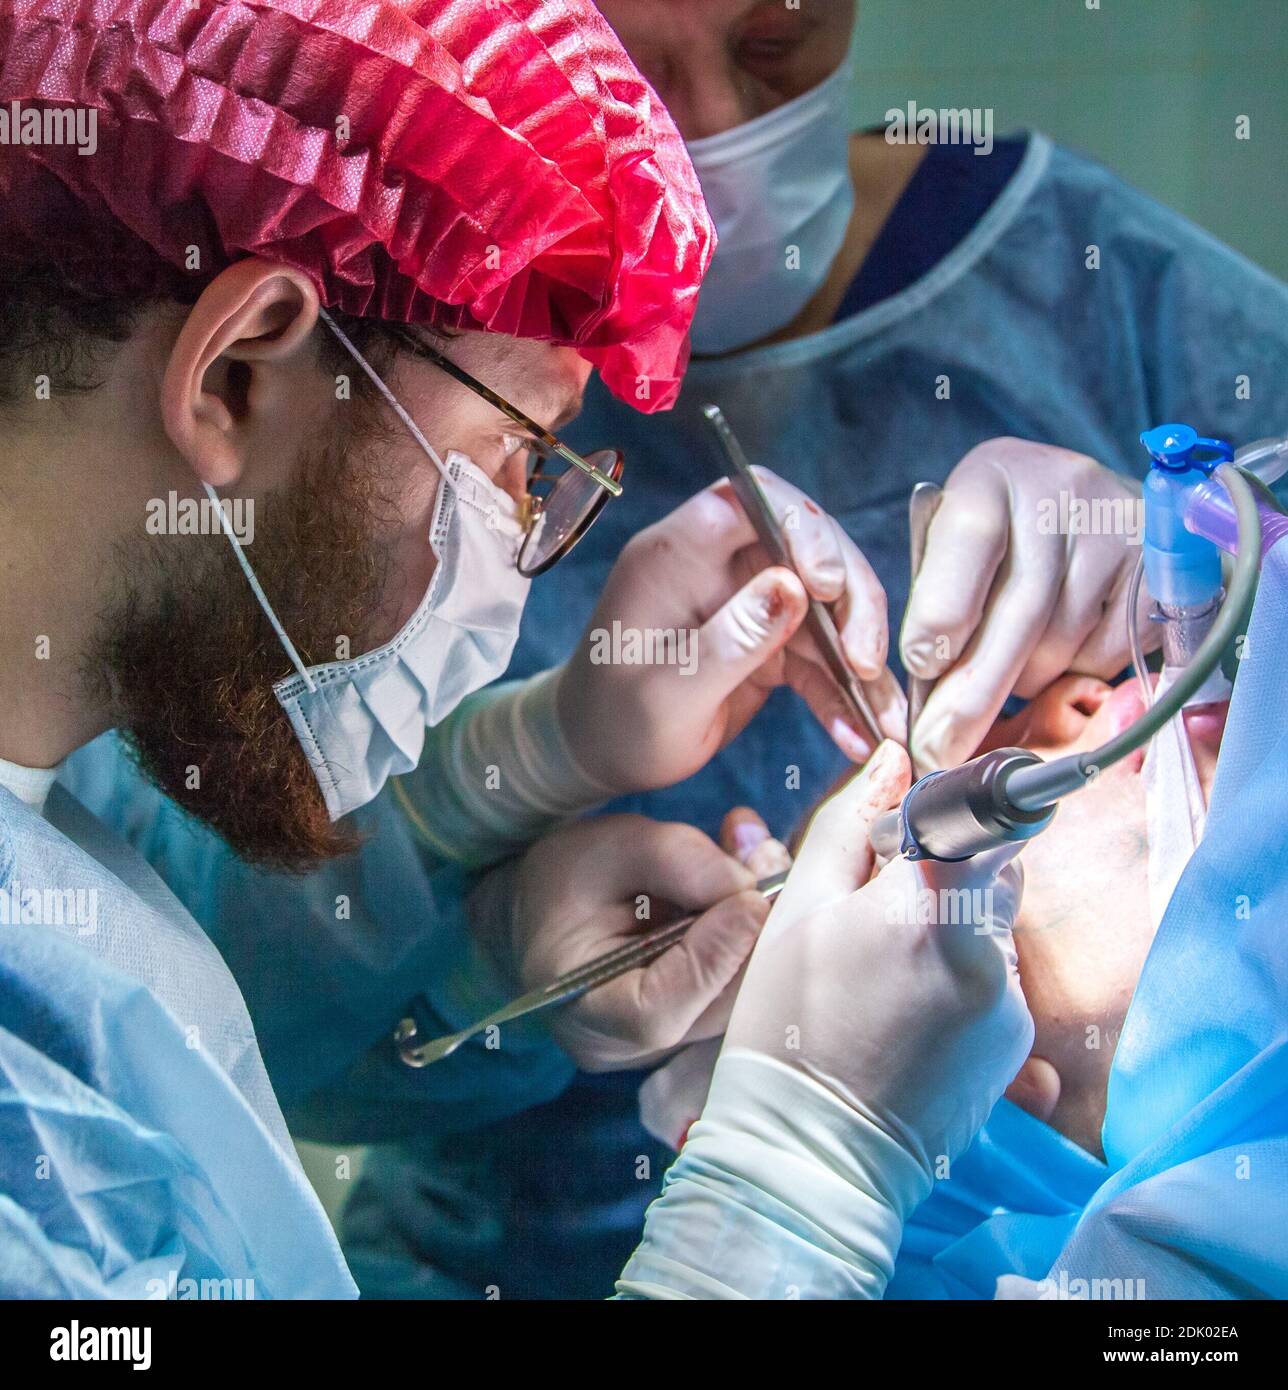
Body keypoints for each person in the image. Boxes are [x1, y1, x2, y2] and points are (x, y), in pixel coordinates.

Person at [4, 0, 977, 1297]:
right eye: (505, 468)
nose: (516, 562)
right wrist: (799, 1173)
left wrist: (516, 792)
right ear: (238, 374)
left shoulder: (57, 833)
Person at [327, 0, 1288, 1296]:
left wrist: (1228, 537)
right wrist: (485, 953)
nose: (1074, 710)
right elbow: (262, 1020)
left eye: (773, 35)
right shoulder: (390, 355)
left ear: (1024, 1097)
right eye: (625, 74)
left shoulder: (1111, 285)